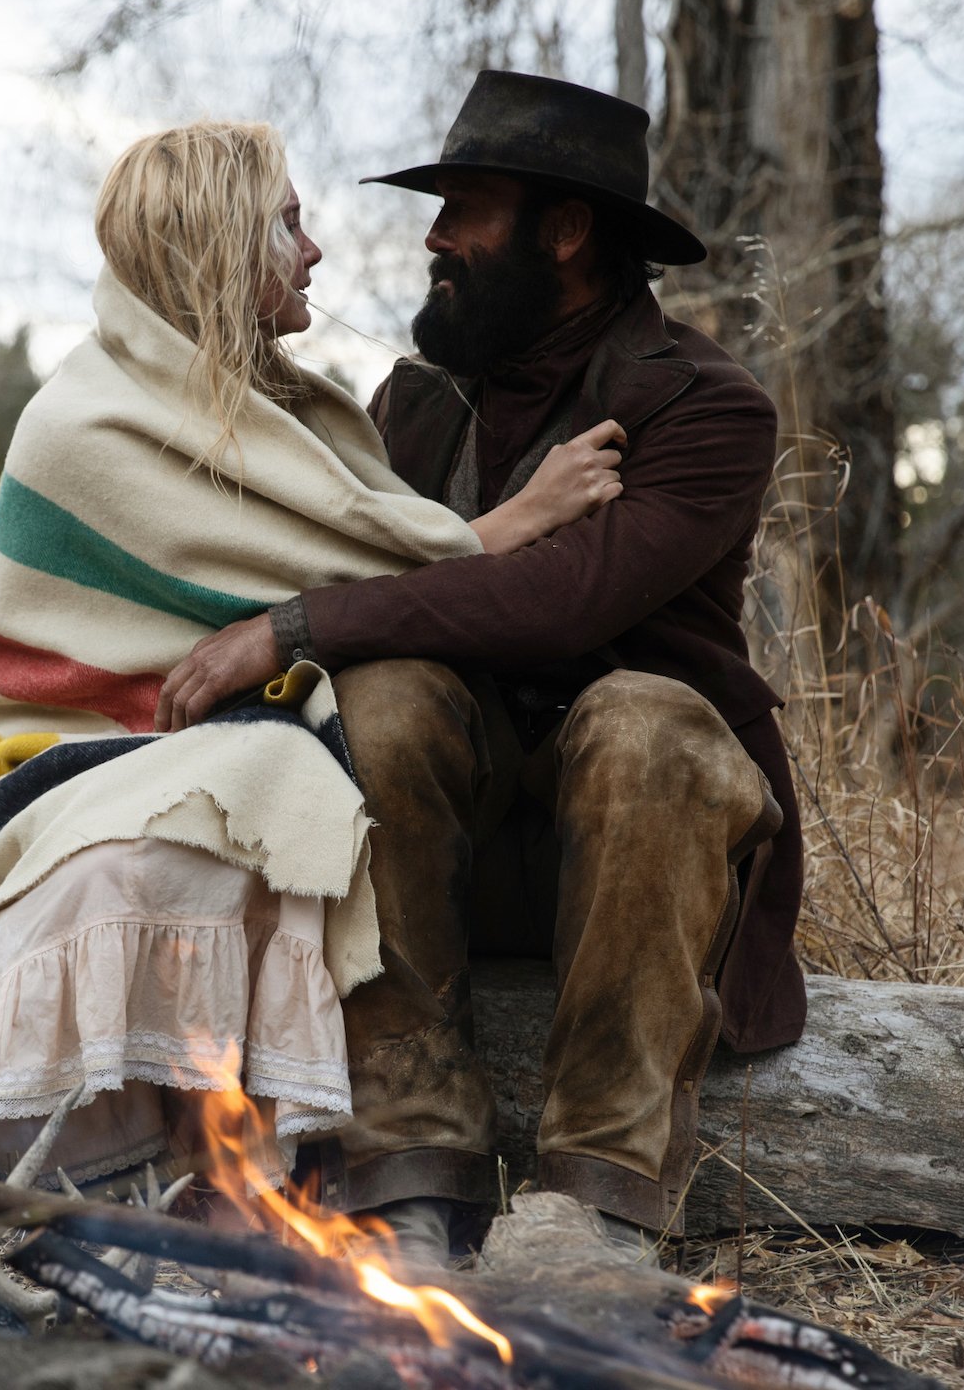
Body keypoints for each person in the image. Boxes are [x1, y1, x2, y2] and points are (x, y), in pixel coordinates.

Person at [0, 120, 625, 1189]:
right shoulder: (96, 419)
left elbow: (341, 570)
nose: (315, 253)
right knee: (268, 778)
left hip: (192, 735)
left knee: (285, 770)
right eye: (288, 225)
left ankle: (241, 1166)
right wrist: (512, 522)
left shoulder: (279, 405)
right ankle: (51, 1147)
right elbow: (365, 574)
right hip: (52, 748)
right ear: (219, 246)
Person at [155, 71, 803, 1261]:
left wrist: (297, 628)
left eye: (468, 209)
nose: (435, 237)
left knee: (644, 716)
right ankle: (411, 1171)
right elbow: (361, 582)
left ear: (565, 233)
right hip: (451, 851)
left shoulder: (709, 407)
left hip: (647, 854)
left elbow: (569, 599)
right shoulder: (412, 401)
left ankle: (594, 1208)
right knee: (385, 696)